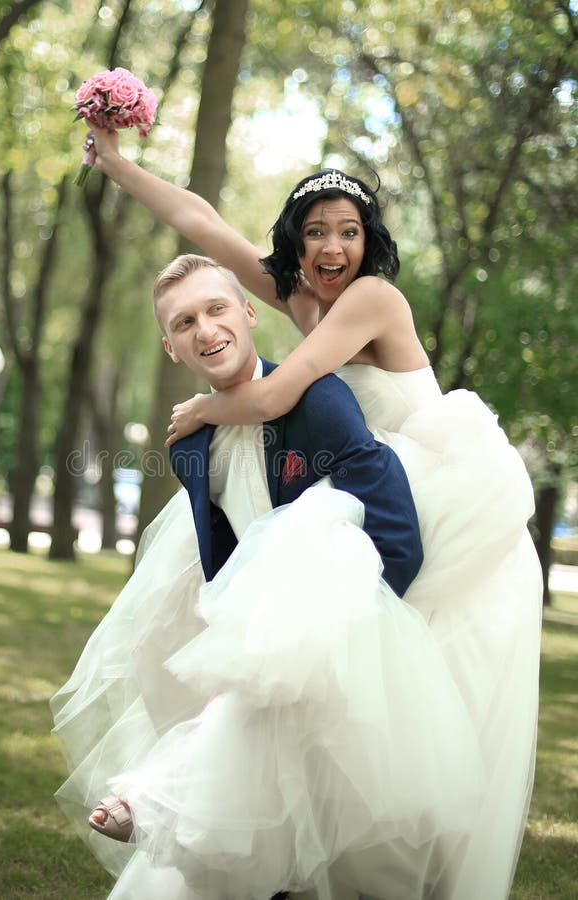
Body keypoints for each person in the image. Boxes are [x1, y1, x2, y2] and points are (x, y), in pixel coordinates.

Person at [71, 129, 544, 900]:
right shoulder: (296, 297)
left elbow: (273, 396)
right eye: (317, 231)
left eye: (348, 231)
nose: (333, 247)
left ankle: (216, 807)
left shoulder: (372, 298)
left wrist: (202, 408)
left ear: (367, 241)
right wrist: (119, 166)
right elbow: (202, 223)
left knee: (399, 693)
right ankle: (284, 844)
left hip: (431, 495)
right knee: (315, 671)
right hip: (356, 484)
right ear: (295, 241)